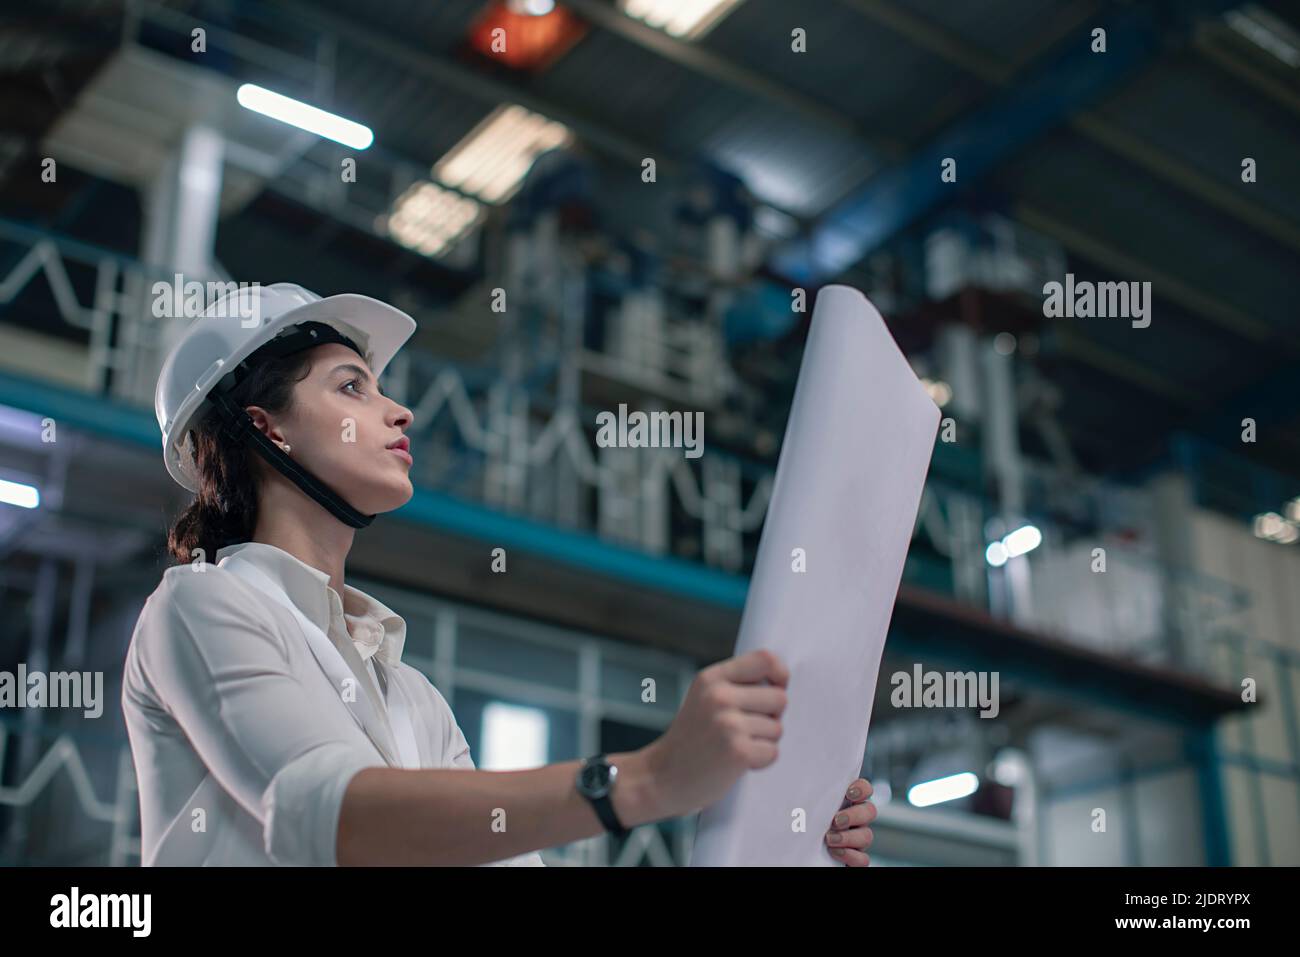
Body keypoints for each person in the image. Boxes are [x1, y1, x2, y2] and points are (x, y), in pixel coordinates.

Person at [121, 282, 877, 866]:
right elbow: (331, 814)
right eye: (353, 386)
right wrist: (647, 779)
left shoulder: (412, 700)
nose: (401, 412)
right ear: (266, 426)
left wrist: (777, 839)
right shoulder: (199, 606)